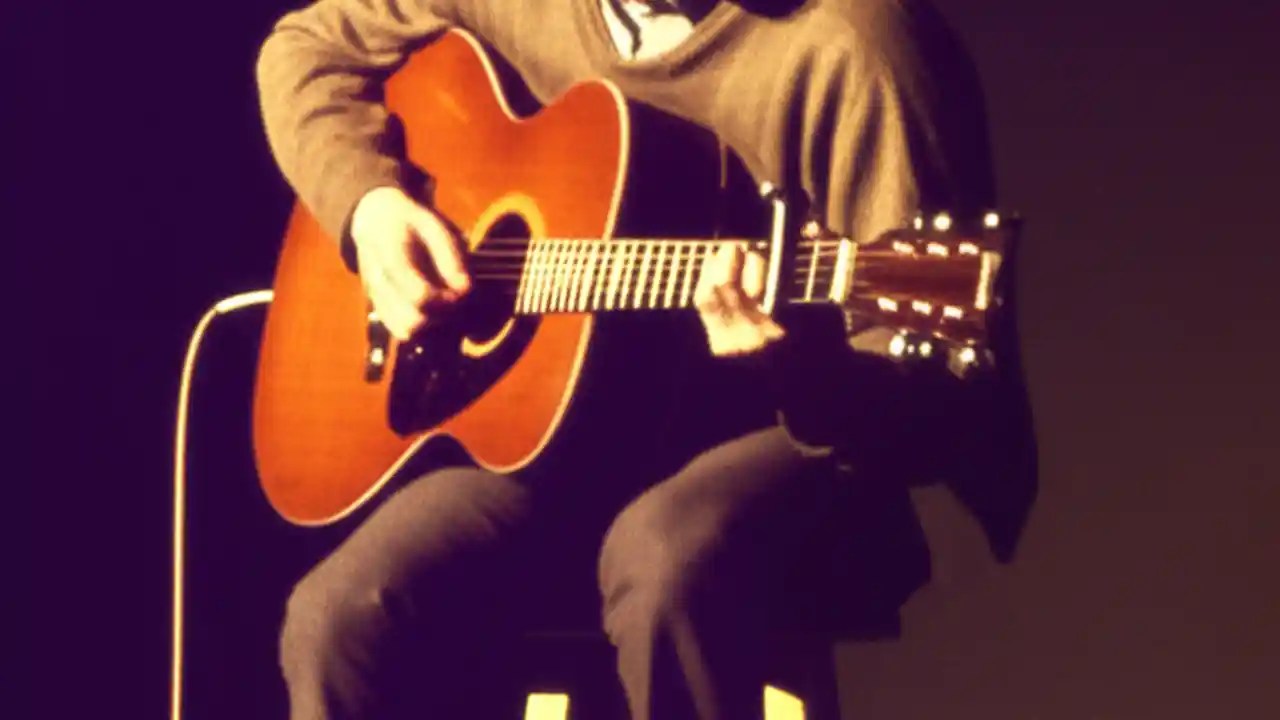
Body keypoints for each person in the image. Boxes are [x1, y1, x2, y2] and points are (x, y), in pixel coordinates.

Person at [253, 0, 1038, 718]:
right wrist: (369, 205)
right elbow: (304, 48)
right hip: (568, 438)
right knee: (341, 614)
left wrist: (803, 364)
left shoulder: (856, 48)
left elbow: (934, 394)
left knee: (665, 558)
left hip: (795, 441)